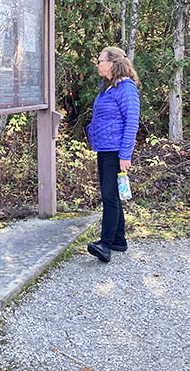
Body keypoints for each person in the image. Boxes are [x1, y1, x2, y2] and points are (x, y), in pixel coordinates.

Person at [86, 46, 140, 263]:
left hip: (115, 151)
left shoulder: (126, 88)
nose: (97, 64)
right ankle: (119, 240)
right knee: (112, 195)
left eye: (100, 61)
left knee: (109, 197)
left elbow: (131, 122)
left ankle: (105, 244)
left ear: (112, 63)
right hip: (104, 148)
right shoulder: (108, 87)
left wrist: (125, 155)